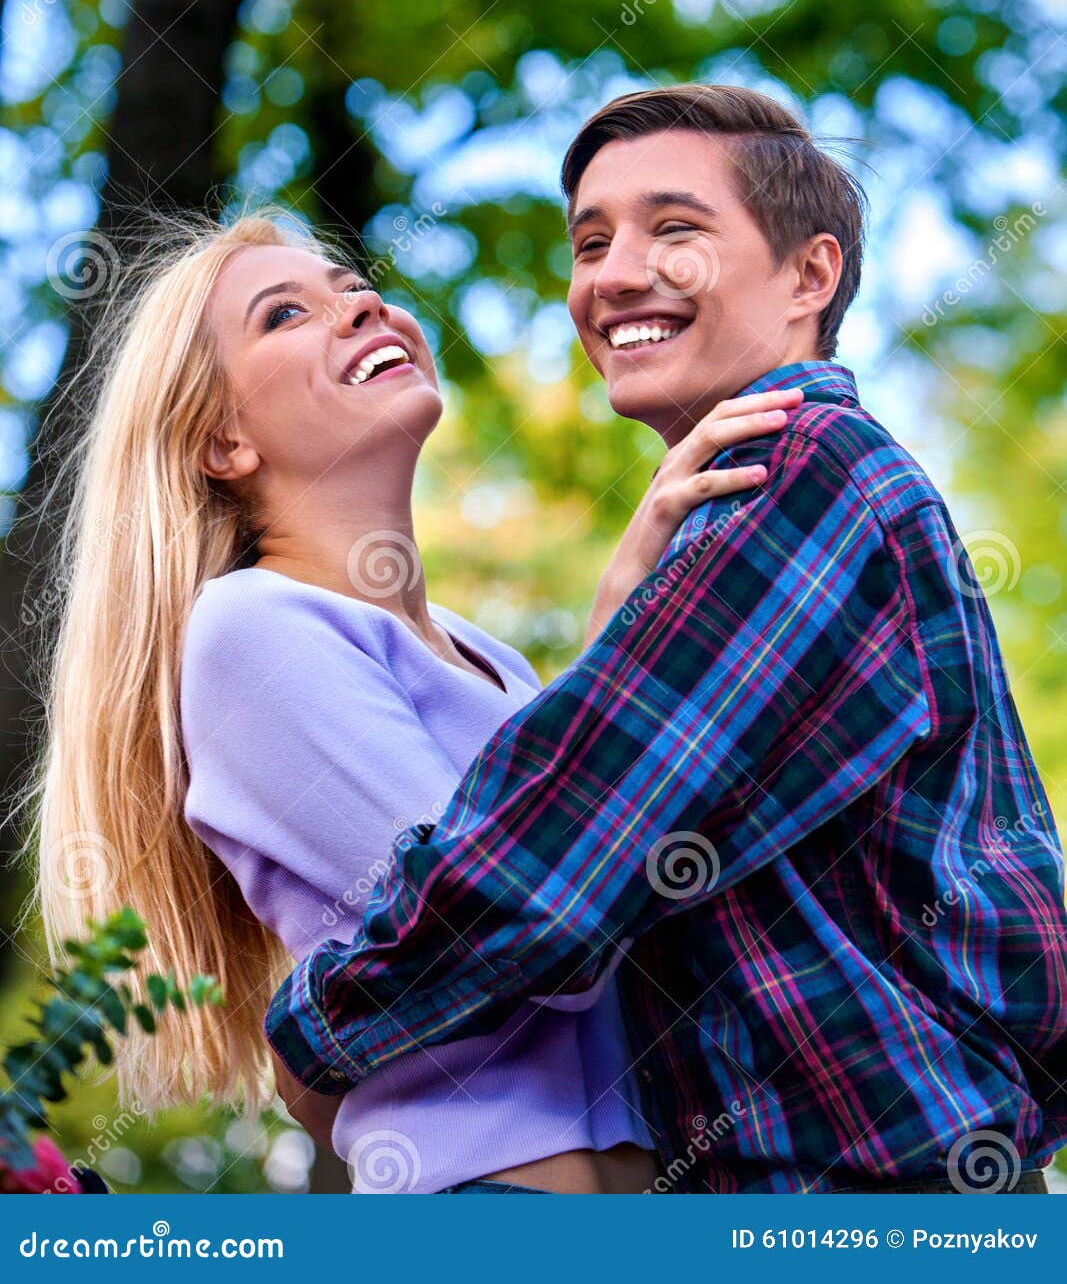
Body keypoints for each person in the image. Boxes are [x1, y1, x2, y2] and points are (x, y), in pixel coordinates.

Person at [266, 83, 1067, 1195]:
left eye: (673, 229)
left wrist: (312, 1029)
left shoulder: (802, 471)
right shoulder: (741, 506)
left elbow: (550, 862)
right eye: (590, 241)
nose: (612, 275)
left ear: (809, 276)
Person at [31, 202, 797, 1196]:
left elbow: (620, 904)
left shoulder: (493, 661)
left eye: (355, 288)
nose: (365, 307)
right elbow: (515, 919)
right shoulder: (250, 630)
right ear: (221, 441)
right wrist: (620, 631)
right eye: (284, 314)